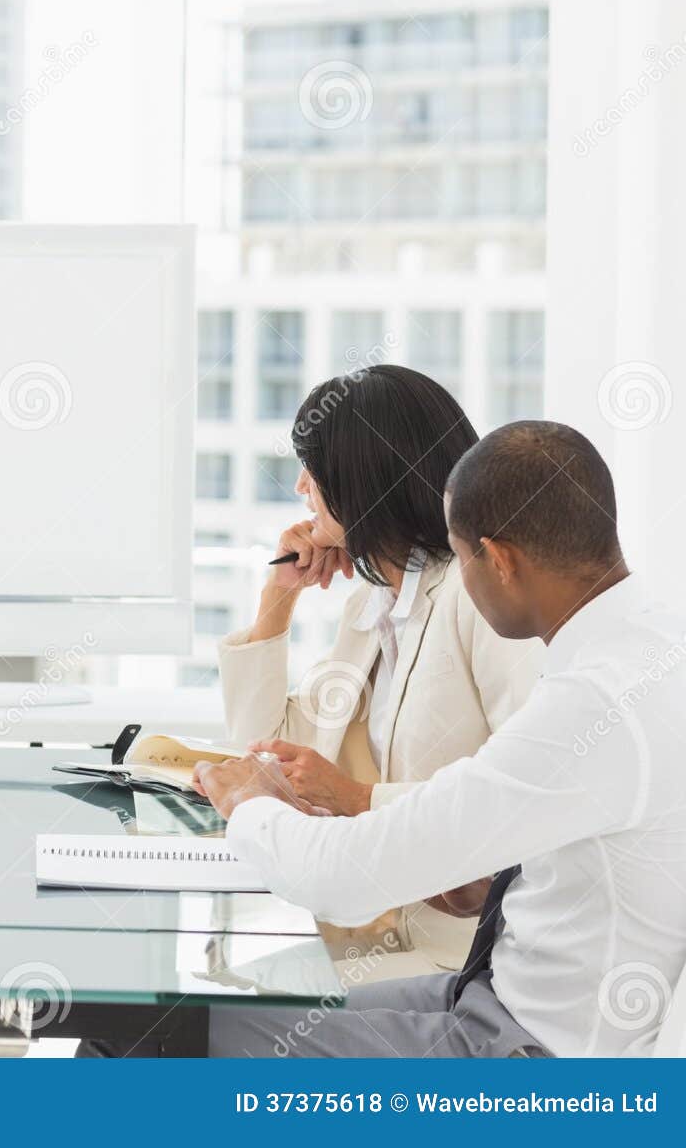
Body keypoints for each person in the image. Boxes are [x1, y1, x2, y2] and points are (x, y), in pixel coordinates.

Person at [190, 421, 686, 1057]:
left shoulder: (596, 702)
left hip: (524, 1056)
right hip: (489, 994)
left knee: (174, 1037)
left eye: (462, 556)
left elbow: (340, 878)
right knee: (187, 1022)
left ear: (500, 560)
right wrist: (501, 879)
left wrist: (247, 802)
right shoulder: (648, 648)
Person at [217, 366, 541, 972]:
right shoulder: (376, 603)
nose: (299, 487)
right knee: (195, 994)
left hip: (456, 955)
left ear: (363, 478)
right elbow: (268, 754)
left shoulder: (478, 602)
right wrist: (277, 599)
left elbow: (523, 802)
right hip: (371, 931)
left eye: (313, 471)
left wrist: (359, 798)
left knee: (197, 1016)